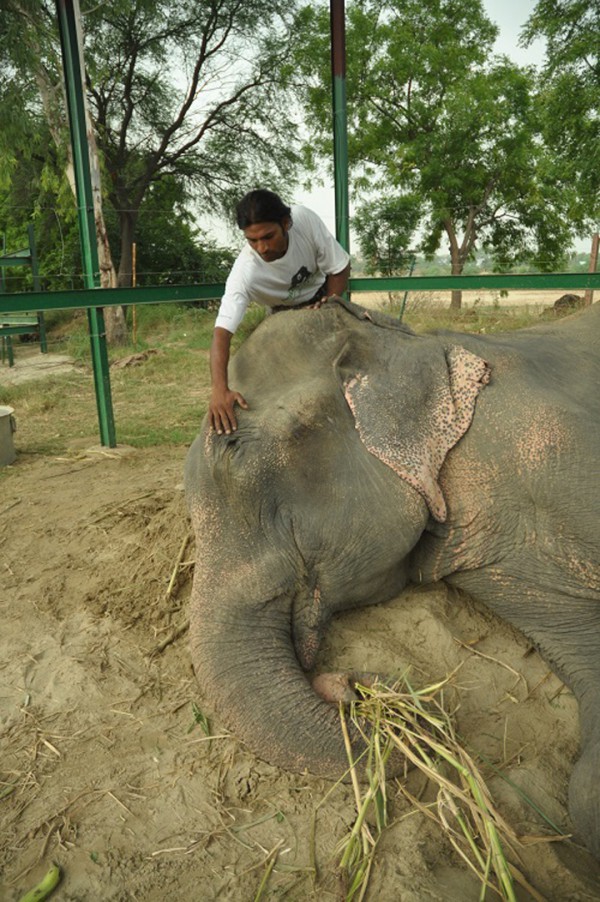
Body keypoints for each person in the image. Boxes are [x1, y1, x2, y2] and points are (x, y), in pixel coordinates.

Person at [208, 189, 351, 435]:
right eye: (252, 240)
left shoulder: (304, 221)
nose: (261, 248)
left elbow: (339, 267)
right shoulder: (245, 272)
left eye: (268, 236)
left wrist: (330, 304)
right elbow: (222, 332)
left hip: (322, 299)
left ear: (286, 223)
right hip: (279, 315)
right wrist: (219, 390)